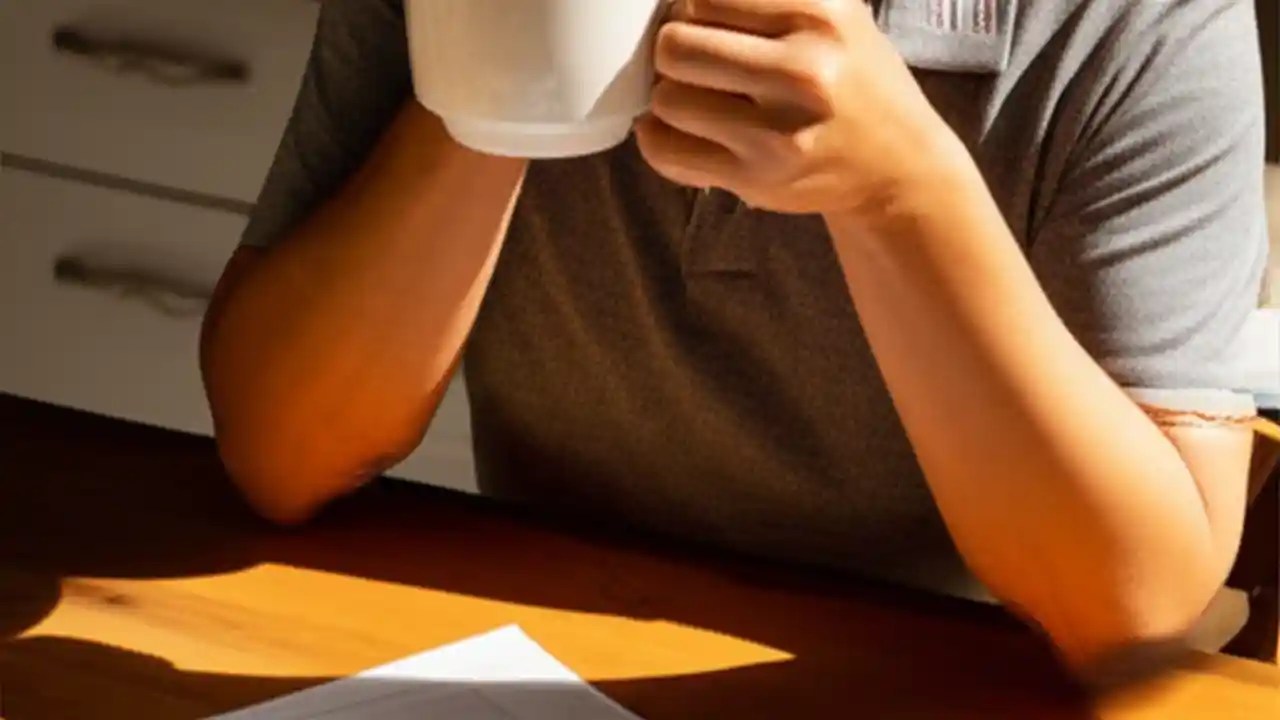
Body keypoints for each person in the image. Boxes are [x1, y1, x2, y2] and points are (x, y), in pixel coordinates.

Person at [201, 0, 1269, 671]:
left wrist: (898, 196)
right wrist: (506, 73)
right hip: (523, 646)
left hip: (938, 671)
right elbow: (280, 454)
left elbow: (1130, 608)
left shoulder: (1137, 26)